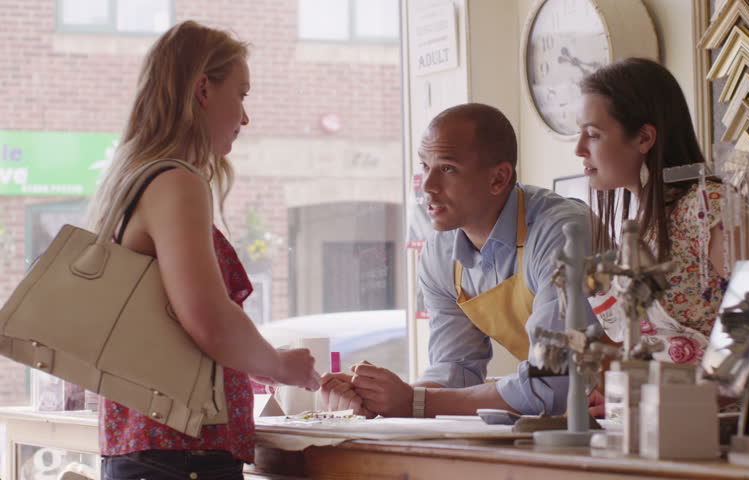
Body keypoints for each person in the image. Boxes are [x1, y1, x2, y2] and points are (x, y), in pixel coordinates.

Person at [88, 21, 320, 480]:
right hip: (180, 454)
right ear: (203, 90)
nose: (245, 118)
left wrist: (251, 360)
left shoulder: (135, 181)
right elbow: (207, 318)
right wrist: (279, 365)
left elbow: (174, 325)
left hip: (150, 448)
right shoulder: (176, 183)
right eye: (241, 94)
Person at [321, 103, 603, 418]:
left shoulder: (561, 232)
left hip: (630, 407)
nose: (427, 186)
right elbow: (455, 370)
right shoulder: (440, 252)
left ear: (498, 178)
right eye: (425, 166)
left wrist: (414, 402)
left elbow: (553, 380)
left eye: (447, 169)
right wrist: (378, 398)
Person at [575, 57, 749, 364]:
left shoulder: (708, 207)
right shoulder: (642, 224)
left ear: (644, 138)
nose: (579, 149)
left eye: (593, 134)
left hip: (718, 396)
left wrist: (706, 387)